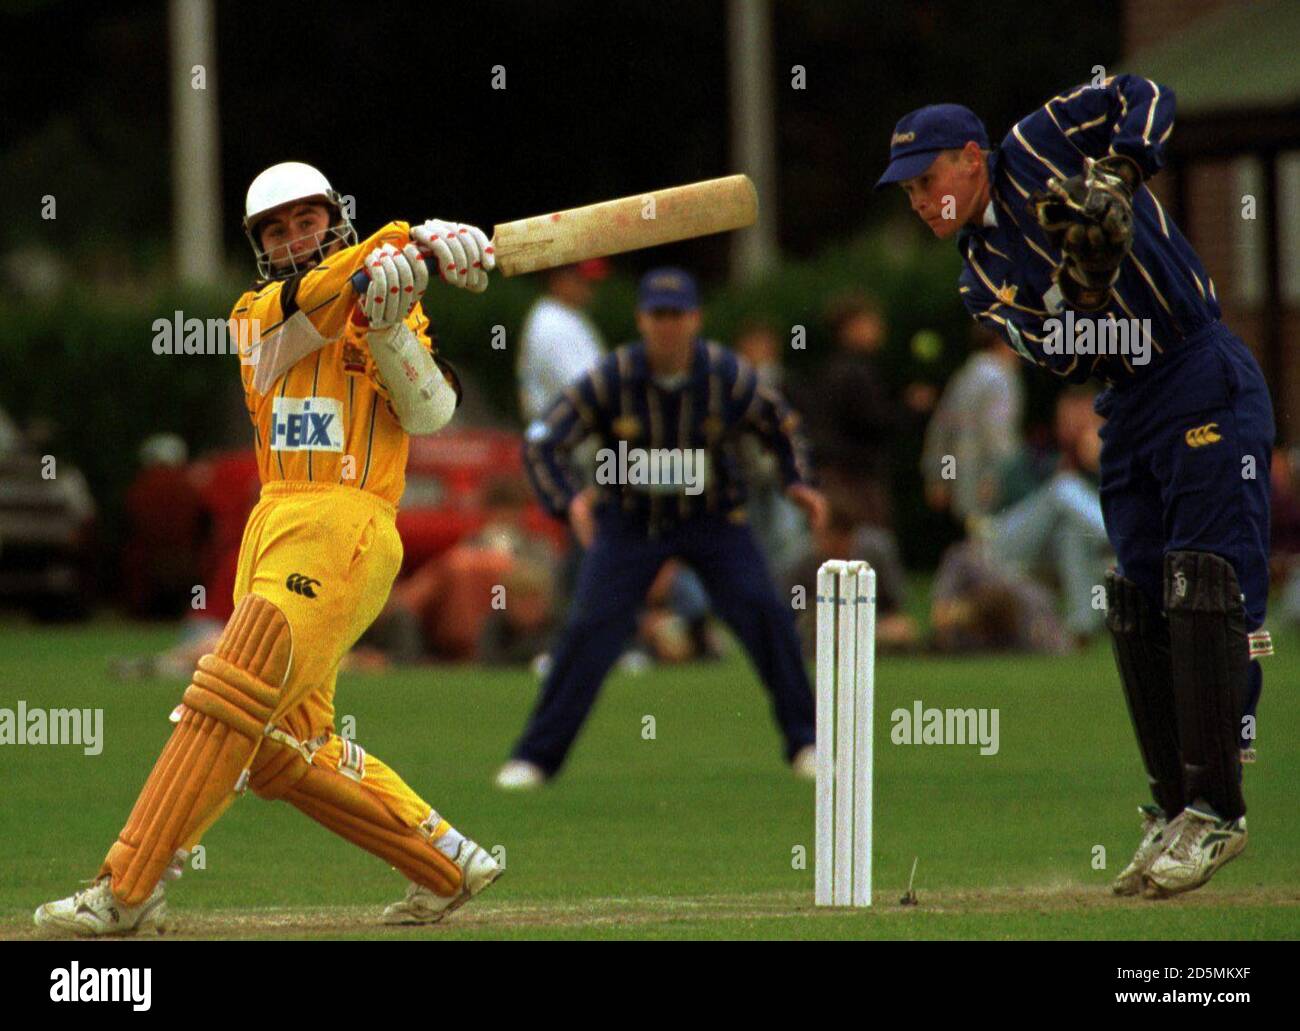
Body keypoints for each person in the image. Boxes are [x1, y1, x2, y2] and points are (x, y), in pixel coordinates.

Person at [35, 161, 502, 935]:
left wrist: (388, 326)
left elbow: (430, 413)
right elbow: (315, 299)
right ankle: (445, 863)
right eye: (277, 229)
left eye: (307, 221)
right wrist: (409, 239)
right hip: (277, 522)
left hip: (347, 526)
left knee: (229, 685)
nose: (295, 238)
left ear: (332, 219)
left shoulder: (385, 305)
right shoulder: (258, 315)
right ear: (261, 247)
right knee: (283, 747)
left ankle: (127, 886)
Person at [878, 82, 1274, 898]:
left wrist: (1121, 172)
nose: (921, 200)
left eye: (928, 179)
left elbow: (1150, 93)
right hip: (1125, 403)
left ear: (971, 159)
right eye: (910, 190)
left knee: (1208, 580)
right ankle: (1175, 803)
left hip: (1197, 366)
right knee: (1137, 597)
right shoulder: (979, 274)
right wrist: (1086, 283)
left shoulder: (1037, 142)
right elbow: (1059, 353)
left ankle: (1217, 807)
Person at [496, 268, 829, 789]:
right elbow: (543, 439)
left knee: (764, 614)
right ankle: (536, 758)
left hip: (714, 519)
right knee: (590, 629)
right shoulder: (613, 376)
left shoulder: (726, 373)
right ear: (641, 320)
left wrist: (798, 482)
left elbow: (781, 424)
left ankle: (807, 741)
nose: (667, 328)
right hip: (630, 521)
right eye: (658, 316)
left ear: (695, 319)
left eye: (677, 316)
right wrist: (568, 502)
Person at [922, 323, 1024, 524]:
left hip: (964, 488)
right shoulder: (1000, 379)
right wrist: (993, 476)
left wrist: (943, 478)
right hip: (990, 489)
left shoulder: (963, 376)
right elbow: (997, 437)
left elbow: (943, 433)